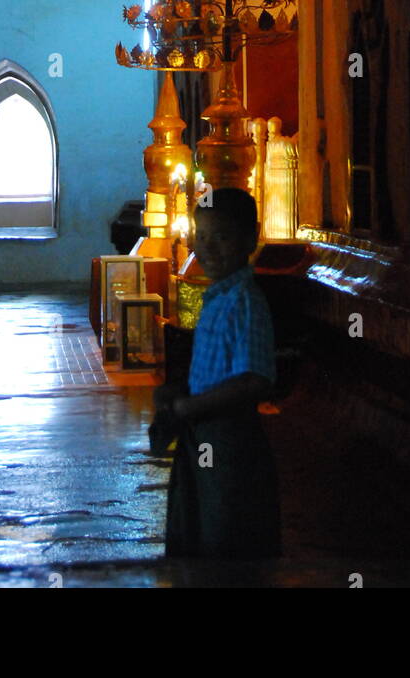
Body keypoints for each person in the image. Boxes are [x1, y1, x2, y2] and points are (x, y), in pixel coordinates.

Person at [152, 186, 281, 559]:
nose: (207, 248)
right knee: (197, 522)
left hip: (231, 440)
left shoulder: (244, 301)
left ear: (250, 238)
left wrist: (192, 407)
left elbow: (256, 379)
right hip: (203, 433)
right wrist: (176, 394)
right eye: (201, 236)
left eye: (221, 237)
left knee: (226, 530)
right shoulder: (218, 297)